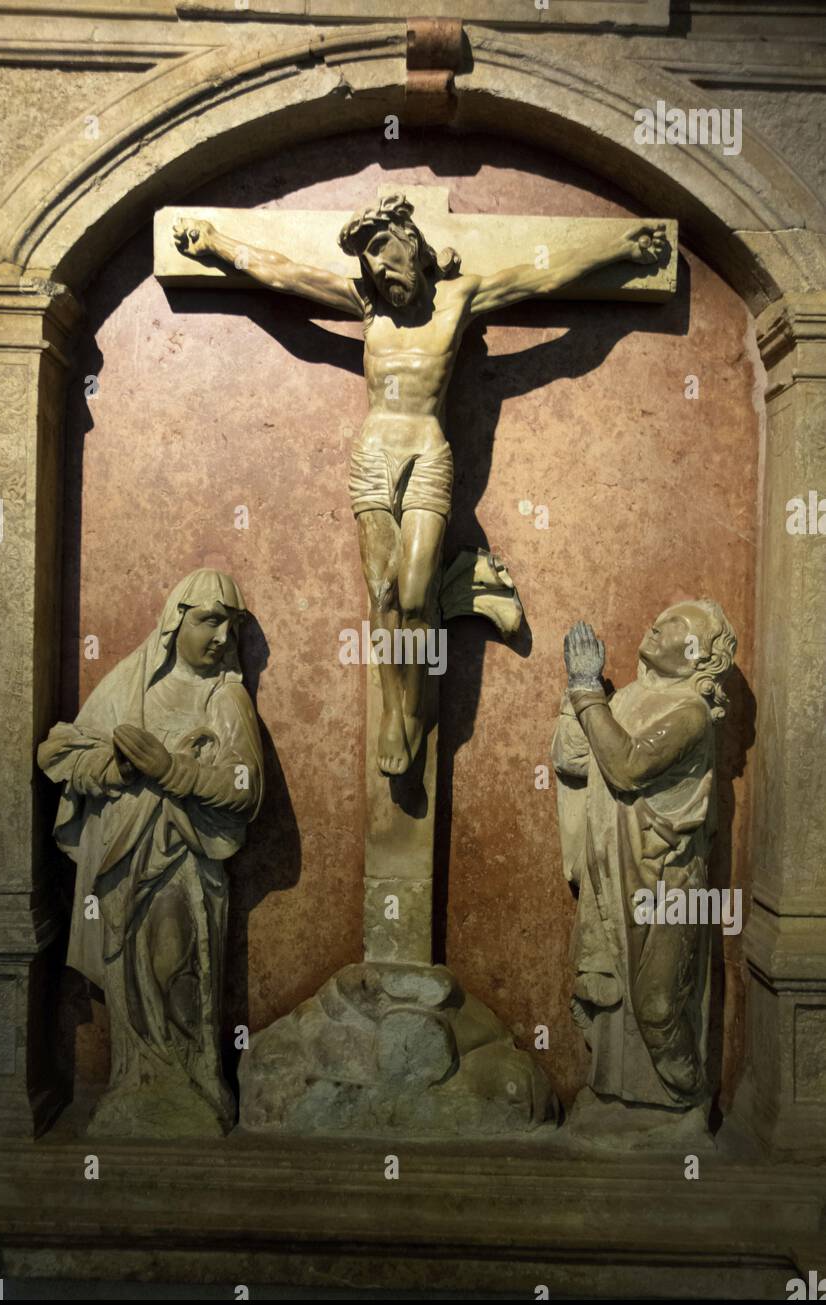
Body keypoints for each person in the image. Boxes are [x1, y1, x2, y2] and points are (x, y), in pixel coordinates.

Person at [174, 193, 667, 776]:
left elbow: (542, 276)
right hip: (373, 455)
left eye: (383, 248)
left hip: (428, 453)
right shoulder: (367, 304)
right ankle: (398, 711)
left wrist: (618, 247)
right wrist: (218, 243)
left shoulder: (460, 299)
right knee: (383, 597)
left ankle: (411, 705)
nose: (378, 267)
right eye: (367, 258)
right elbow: (284, 273)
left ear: (412, 242)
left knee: (414, 594)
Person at [38, 569, 264, 1136]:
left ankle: (192, 1083)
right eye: (208, 621)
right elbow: (61, 754)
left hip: (184, 864)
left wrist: (172, 770)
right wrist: (114, 768)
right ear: (175, 621)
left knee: (176, 967)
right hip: (121, 860)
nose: (219, 637)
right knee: (130, 980)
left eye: (229, 626)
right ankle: (137, 1083)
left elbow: (245, 786)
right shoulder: (131, 685)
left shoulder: (225, 696)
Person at [551, 602, 737, 1111]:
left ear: (701, 657)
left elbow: (628, 766)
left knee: (657, 1006)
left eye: (679, 625)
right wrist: (577, 698)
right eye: (660, 616)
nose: (658, 624)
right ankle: (620, 1103)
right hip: (612, 874)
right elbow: (575, 758)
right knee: (613, 999)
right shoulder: (631, 697)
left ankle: (684, 1105)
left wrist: (588, 689)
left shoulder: (690, 714)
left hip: (664, 884)